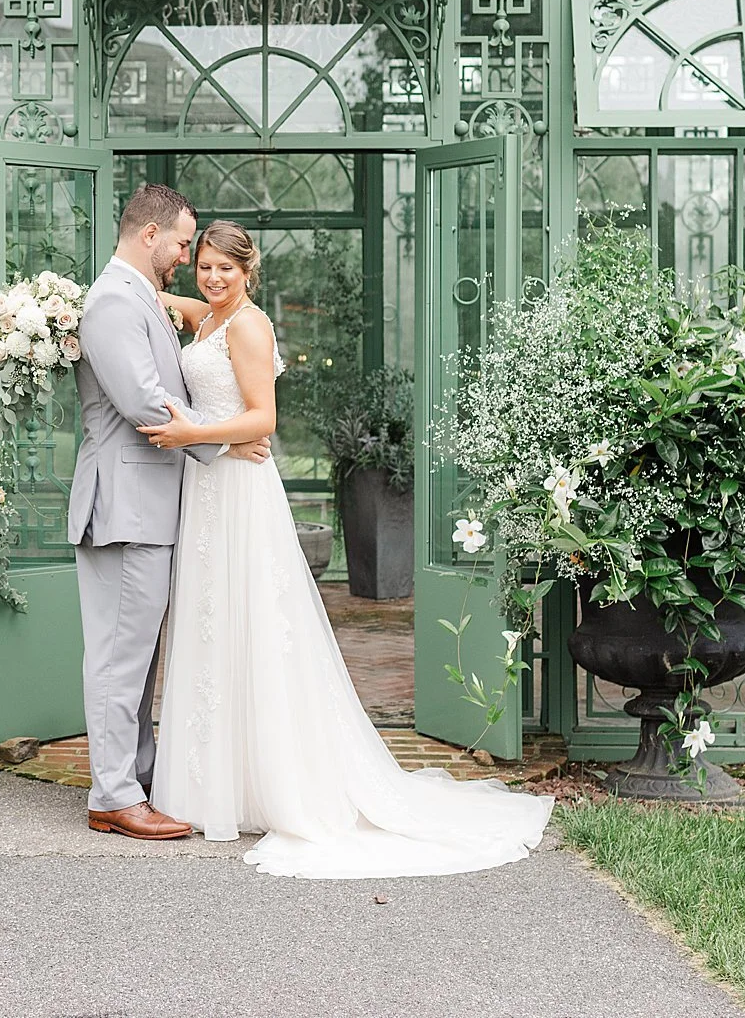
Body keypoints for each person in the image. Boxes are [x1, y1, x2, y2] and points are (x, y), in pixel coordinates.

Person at [134, 220, 555, 878]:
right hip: (209, 491)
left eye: (226, 269)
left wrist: (197, 432)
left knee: (257, 627)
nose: (212, 278)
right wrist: (134, 291)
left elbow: (264, 419)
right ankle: (216, 781)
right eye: (204, 266)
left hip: (240, 490)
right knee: (215, 626)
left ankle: (277, 782)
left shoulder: (247, 325)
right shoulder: (209, 314)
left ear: (251, 271)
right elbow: (167, 303)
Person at [67, 185, 270, 841]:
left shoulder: (138, 294)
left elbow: (200, 324)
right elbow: (147, 404)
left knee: (140, 656)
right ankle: (114, 794)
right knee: (118, 657)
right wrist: (230, 440)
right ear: (150, 235)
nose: (189, 256)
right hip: (125, 505)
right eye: (184, 243)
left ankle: (139, 776)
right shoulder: (110, 302)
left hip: (153, 505)